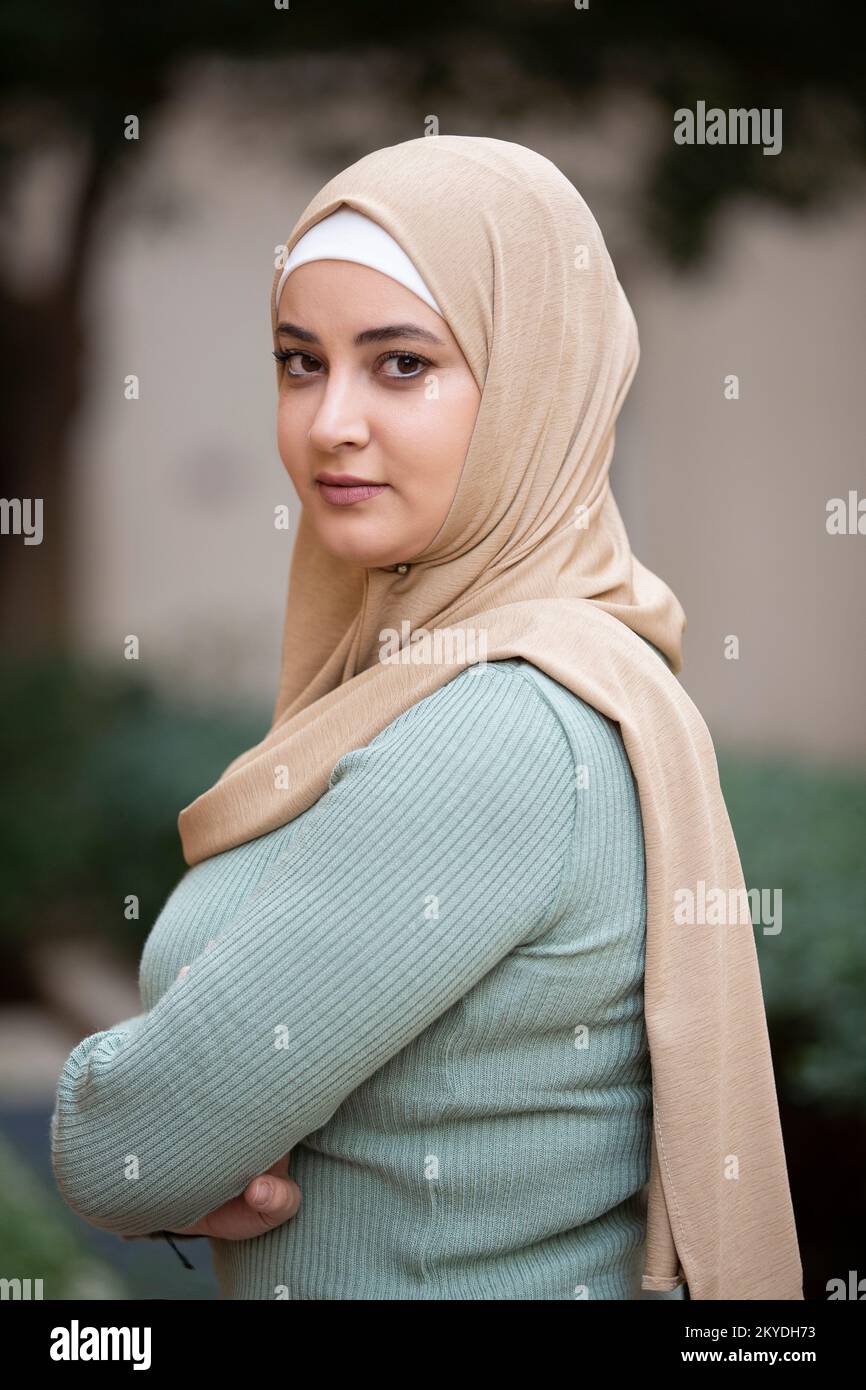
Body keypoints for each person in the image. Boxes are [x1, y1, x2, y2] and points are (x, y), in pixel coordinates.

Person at [50, 135, 803, 1301]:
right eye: (301, 363)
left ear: (536, 383)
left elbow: (123, 1145)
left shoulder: (498, 729)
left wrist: (133, 1121)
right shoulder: (494, 668)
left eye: (400, 365)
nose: (330, 422)